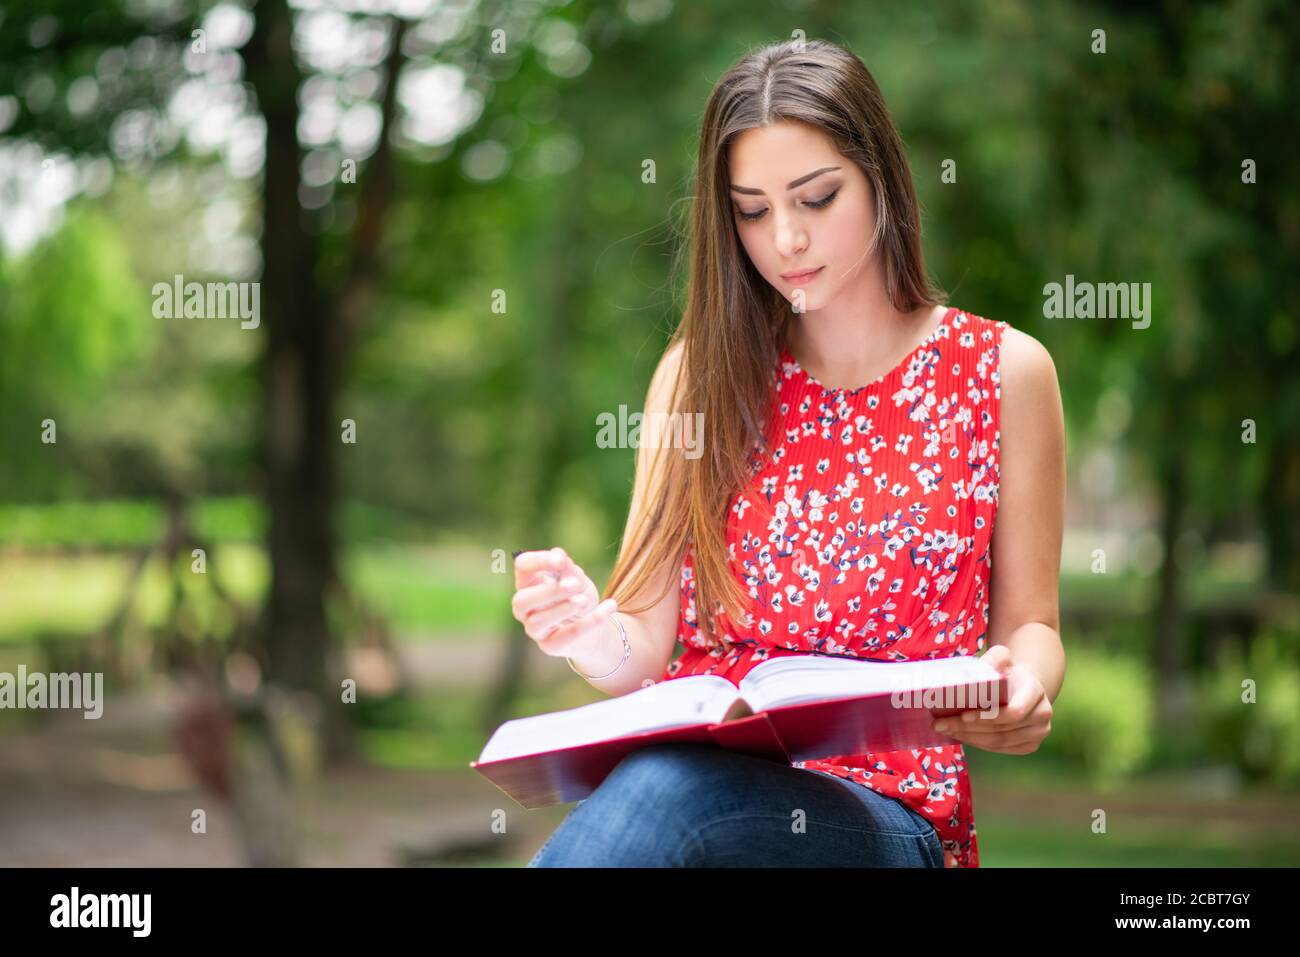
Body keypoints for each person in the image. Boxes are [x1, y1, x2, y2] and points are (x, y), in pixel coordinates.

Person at [511, 37, 1065, 868]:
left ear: (880, 174)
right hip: (697, 785)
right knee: (664, 787)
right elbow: (638, 647)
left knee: (665, 793)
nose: (787, 240)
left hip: (890, 813)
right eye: (754, 209)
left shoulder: (1003, 372)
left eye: (816, 198)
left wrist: (1023, 687)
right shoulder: (697, 375)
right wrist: (585, 629)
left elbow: (1032, 624)